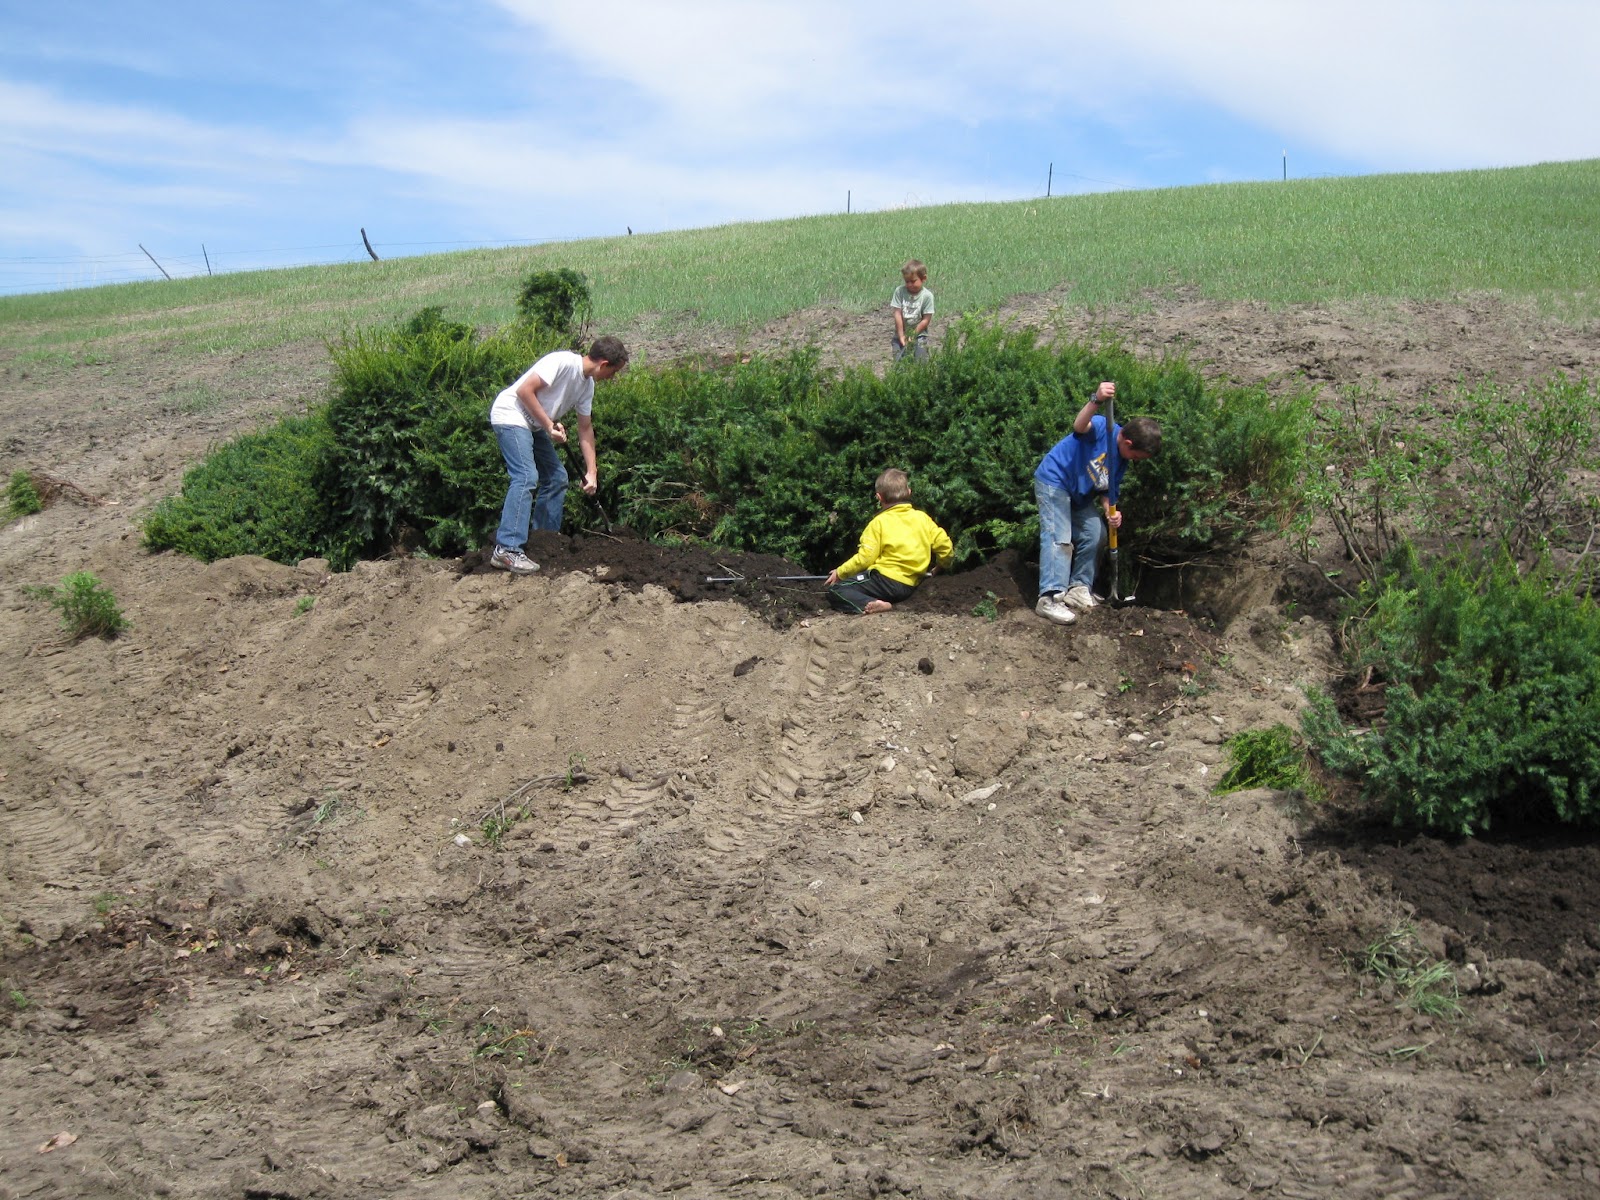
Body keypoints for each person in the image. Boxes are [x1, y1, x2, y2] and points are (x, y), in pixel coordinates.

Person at [487, 335, 629, 574]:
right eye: (613, 372)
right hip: (511, 414)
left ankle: (544, 543)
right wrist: (548, 424)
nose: (612, 378)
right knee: (525, 476)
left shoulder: (587, 386)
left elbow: (585, 429)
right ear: (604, 364)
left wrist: (592, 472)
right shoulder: (562, 362)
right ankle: (507, 550)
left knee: (557, 478)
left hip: (533, 423)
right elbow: (524, 391)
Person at [1032, 382, 1162, 625]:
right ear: (1128, 443)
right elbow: (1079, 425)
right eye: (1136, 457)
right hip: (1056, 480)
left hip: (1079, 495)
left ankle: (1079, 589)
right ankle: (1049, 598)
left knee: (1096, 531)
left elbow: (1106, 490)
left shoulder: (1122, 460)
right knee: (1058, 536)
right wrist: (1096, 399)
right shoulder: (1104, 427)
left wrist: (1110, 512)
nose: (1134, 461)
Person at [826, 468, 954, 614]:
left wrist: (840, 572)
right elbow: (945, 546)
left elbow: (865, 558)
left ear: (879, 497)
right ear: (909, 492)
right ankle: (878, 601)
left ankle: (871, 603)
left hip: (885, 581)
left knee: (837, 590)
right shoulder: (922, 518)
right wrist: (941, 566)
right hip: (909, 586)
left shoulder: (878, 523)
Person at [890, 260, 935, 362]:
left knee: (920, 362)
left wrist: (913, 335)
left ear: (923, 279)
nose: (909, 284)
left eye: (913, 281)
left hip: (919, 335)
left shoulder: (927, 296)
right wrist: (901, 335)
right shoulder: (899, 291)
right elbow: (897, 314)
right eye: (907, 281)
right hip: (900, 334)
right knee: (898, 362)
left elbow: (926, 320)